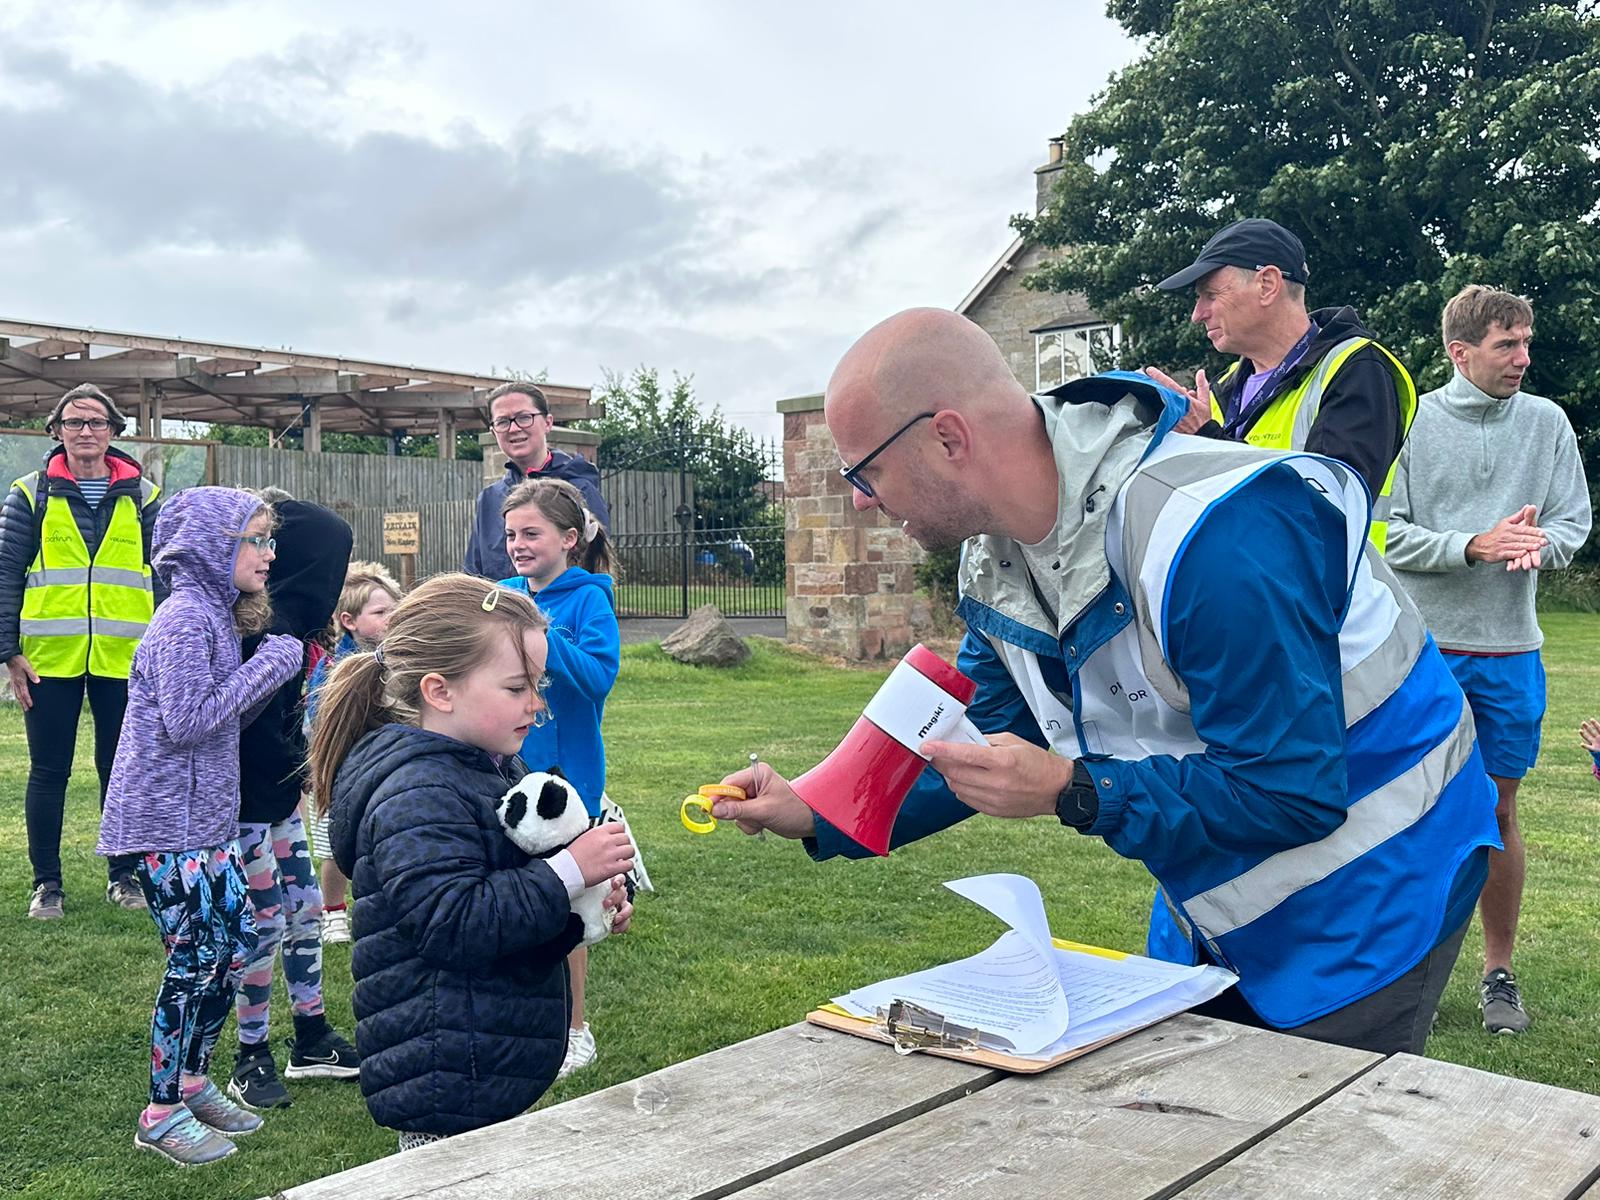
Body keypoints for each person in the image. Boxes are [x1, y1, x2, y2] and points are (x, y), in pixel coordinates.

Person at [710, 307, 1500, 1057]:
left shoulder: (1213, 534)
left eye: (866, 470)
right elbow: (979, 735)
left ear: (948, 437)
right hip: (1220, 883)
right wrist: (816, 811)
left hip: (1380, 872)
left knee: (1303, 1142)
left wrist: (1073, 790)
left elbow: (1292, 792)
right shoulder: (1000, 554)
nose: (859, 499)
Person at [308, 573, 635, 1149]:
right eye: (518, 688)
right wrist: (568, 873)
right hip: (445, 1072)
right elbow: (455, 923)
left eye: (539, 683)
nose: (537, 703)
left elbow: (508, 907)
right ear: (440, 691)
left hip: (484, 1051)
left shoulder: (487, 764)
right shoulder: (416, 791)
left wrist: (581, 912)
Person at [1384, 285, 1592, 1035]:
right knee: (1408, 813)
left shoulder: (1547, 422)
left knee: (1498, 813)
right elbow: (1380, 531)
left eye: (1526, 342)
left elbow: (1574, 520)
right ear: (1459, 352)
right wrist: (1472, 544)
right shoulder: (1410, 419)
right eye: (1507, 345)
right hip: (1419, 654)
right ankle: (1405, 970)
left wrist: (1539, 544)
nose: (1523, 359)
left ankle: (1498, 972)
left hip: (1510, 653)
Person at [97, 487, 303, 1166]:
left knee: (235, 943)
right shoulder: (186, 619)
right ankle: (159, 1113)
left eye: (269, 540)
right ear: (215, 546)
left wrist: (258, 674)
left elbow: (220, 721)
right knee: (194, 960)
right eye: (256, 539)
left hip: (206, 820)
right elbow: (188, 722)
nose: (268, 554)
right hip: (165, 822)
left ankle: (191, 1081)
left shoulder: (217, 618)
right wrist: (269, 666)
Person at [1145, 218, 1416, 551]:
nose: (1197, 314)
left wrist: (1206, 438)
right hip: (1252, 595)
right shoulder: (1223, 388)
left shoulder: (1356, 369)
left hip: (1328, 600)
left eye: (1210, 295)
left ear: (1268, 284)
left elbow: (1326, 513)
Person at [0, 383, 161, 918]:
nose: (85, 432)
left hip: (128, 660)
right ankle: (48, 885)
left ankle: (126, 875)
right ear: (56, 431)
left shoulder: (148, 496)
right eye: (74, 422)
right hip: (48, 659)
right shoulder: (29, 493)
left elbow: (166, 578)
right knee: (49, 770)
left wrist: (165, 651)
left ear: (114, 431)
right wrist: (7, 650)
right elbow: (5, 575)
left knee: (123, 770)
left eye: (96, 422)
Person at [228, 499, 363, 1111]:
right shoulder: (259, 628)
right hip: (241, 807)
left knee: (306, 911)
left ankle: (310, 1035)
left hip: (280, 800)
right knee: (262, 925)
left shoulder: (298, 631)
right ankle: (248, 1054)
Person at [498, 478, 621, 1079]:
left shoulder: (590, 601)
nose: (518, 544)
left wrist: (539, 634)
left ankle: (576, 1029)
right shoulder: (500, 595)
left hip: (566, 781)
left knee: (566, 900)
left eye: (531, 533)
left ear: (569, 539)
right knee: (513, 892)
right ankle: (522, 1011)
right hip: (505, 772)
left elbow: (598, 679)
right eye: (511, 535)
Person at [304, 560, 403, 945]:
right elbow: (319, 724)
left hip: (386, 773)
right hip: (340, 774)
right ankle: (332, 912)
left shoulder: (403, 663)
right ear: (349, 621)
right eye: (380, 613)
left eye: (395, 610)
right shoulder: (332, 669)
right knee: (334, 846)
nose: (391, 619)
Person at [465, 383, 611, 580]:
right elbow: (474, 573)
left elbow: (594, 566)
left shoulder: (580, 489)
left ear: (548, 423)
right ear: (493, 433)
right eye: (502, 422)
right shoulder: (489, 498)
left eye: (524, 418)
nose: (514, 428)